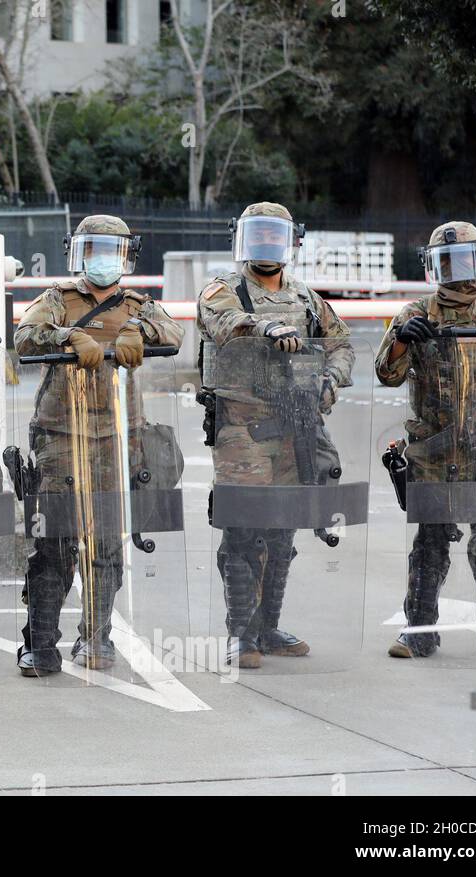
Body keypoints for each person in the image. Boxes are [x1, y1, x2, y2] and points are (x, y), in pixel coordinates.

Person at [14, 214, 183, 675]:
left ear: (127, 256)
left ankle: (96, 638)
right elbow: (25, 338)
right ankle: (40, 644)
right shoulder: (57, 300)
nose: (103, 262)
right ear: (79, 254)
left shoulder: (138, 305)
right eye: (94, 252)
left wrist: (139, 331)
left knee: (106, 545)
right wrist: (68, 335)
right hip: (60, 436)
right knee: (55, 543)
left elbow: (175, 334)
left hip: (117, 435)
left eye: (112, 251)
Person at [197, 201, 354, 668]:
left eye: (274, 236)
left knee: (283, 531)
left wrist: (331, 379)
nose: (266, 244)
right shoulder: (223, 290)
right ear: (242, 241)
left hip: (296, 425)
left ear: (291, 242)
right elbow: (221, 323)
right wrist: (264, 325)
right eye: (257, 236)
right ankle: (240, 635)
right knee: (244, 530)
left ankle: (268, 629)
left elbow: (341, 343)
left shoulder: (307, 298)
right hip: (242, 428)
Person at [376, 220, 476, 658]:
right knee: (430, 541)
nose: (459, 272)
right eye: (448, 263)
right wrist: (400, 342)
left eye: (466, 260)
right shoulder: (415, 315)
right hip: (433, 448)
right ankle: (419, 630)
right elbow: (386, 375)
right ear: (434, 267)